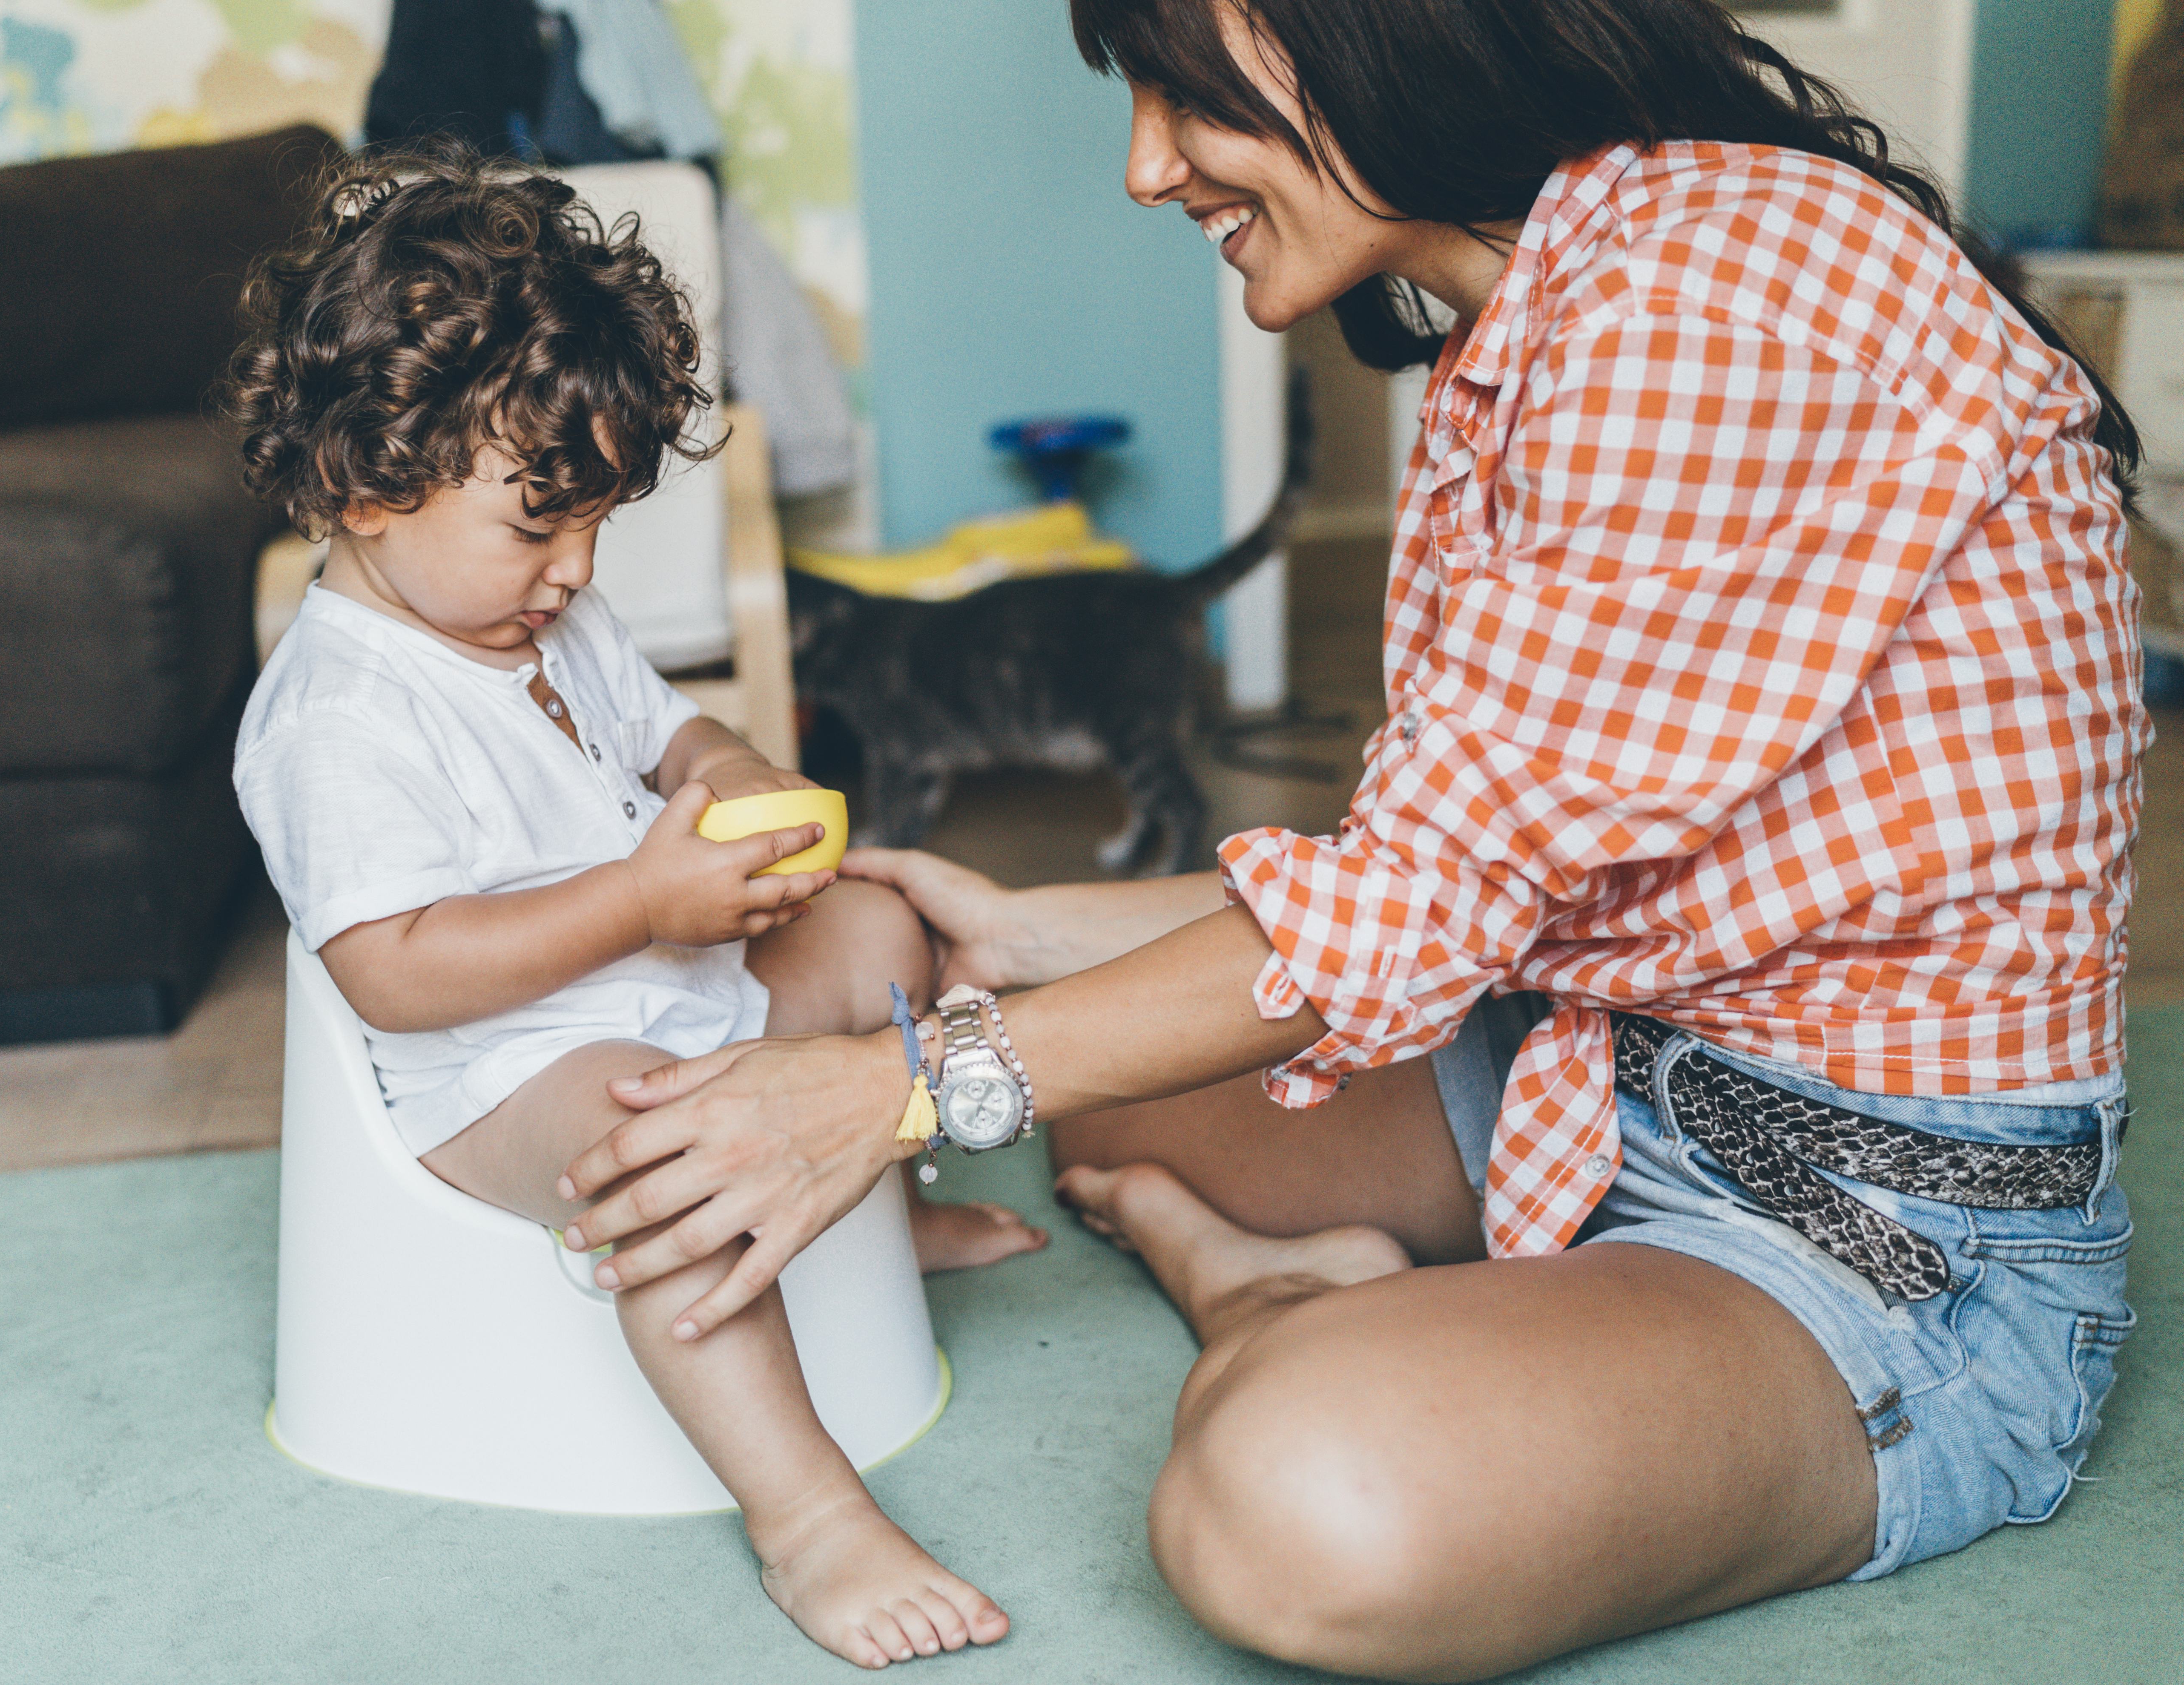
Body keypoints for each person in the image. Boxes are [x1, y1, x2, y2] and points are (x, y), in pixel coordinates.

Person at [551, 1, 2146, 1677]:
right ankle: (1266, 1263)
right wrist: (1024, 937)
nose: (1147, 165)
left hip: (1880, 1234)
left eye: (1183, 95)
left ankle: (1264, 1301)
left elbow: (1408, 902)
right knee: (1109, 1099)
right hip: (1598, 1066)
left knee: (1295, 1497)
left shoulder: (1710, 287)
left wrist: (901, 1083)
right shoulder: (1532, 312)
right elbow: (1468, 865)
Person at [225, 147, 1041, 1671]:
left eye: (595, 523)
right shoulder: (337, 714)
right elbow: (396, 974)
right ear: (362, 484)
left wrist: (736, 778)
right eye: (537, 528)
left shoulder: (549, 616)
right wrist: (641, 896)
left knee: (878, 927)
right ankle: (807, 1519)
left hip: (674, 996)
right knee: (656, 1155)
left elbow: (671, 732)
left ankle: (856, 1211)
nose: (576, 569)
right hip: (505, 1074)